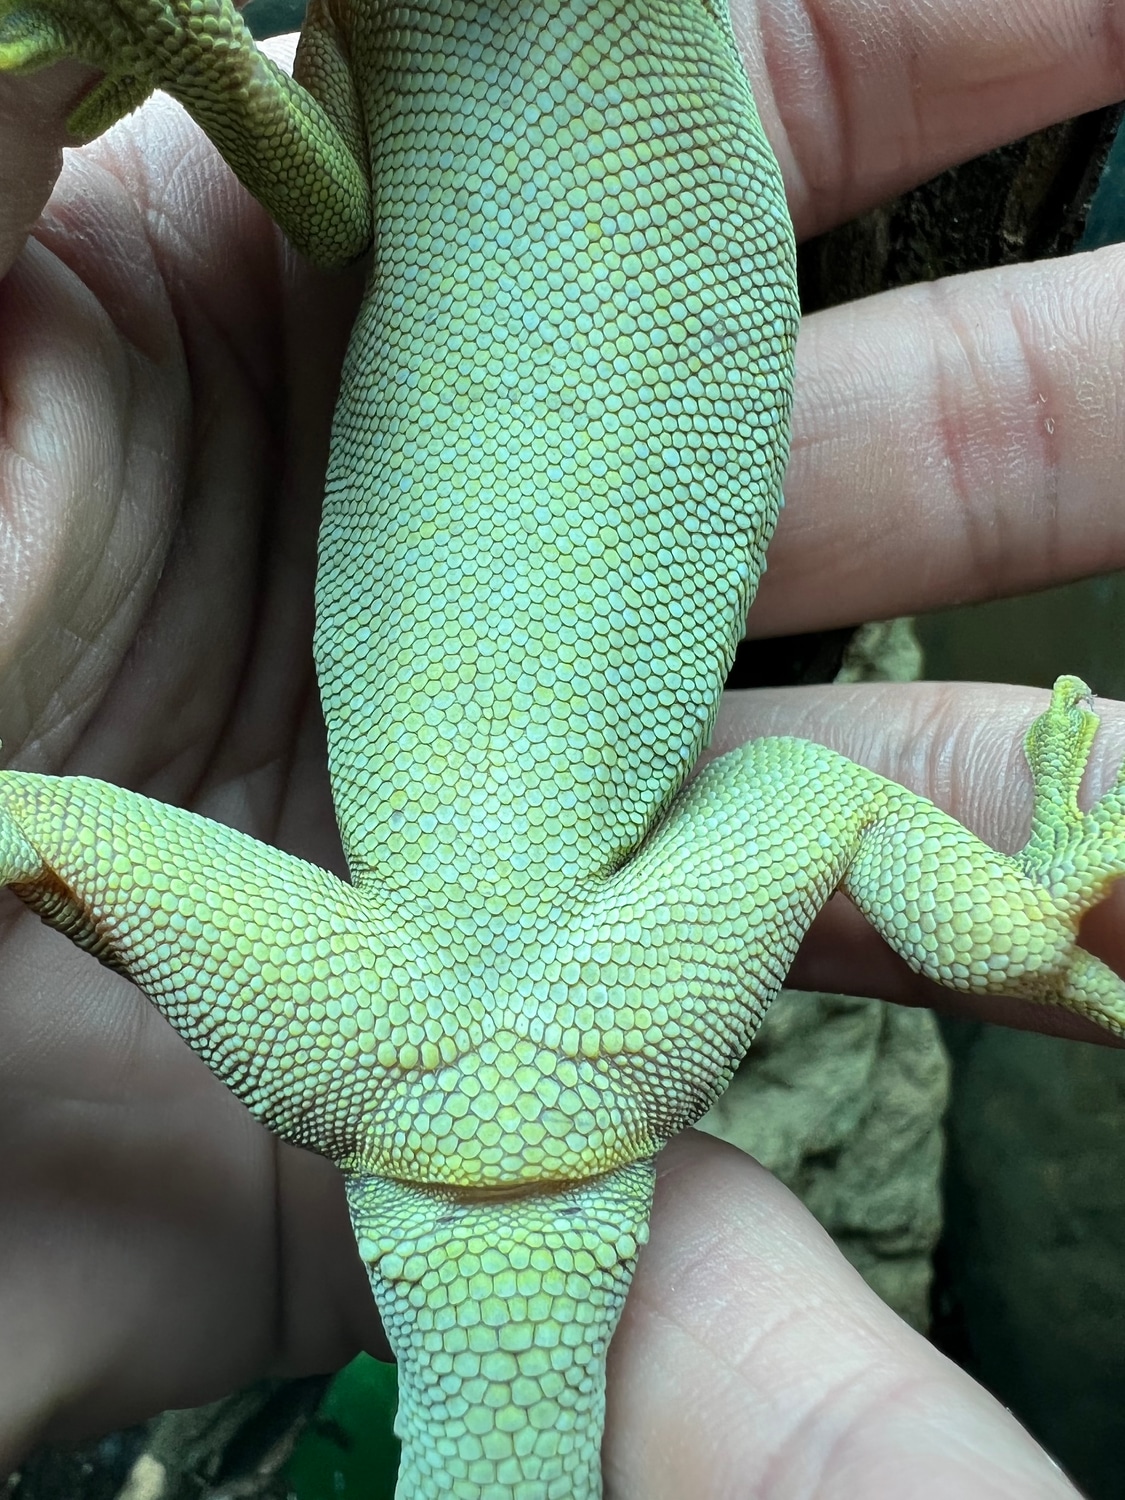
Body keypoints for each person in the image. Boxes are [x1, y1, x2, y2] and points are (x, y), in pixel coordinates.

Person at [0, 0, 1123, 1493]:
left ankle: (1015, 934)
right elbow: (326, 210)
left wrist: (186, 44)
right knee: (803, 791)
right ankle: (1015, 932)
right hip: (540, 1002)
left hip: (404, 1015)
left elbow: (332, 214)